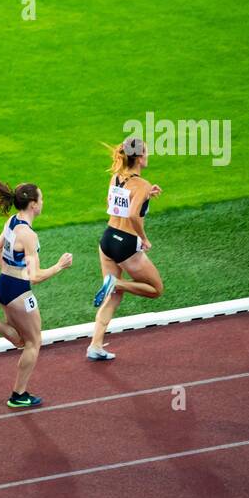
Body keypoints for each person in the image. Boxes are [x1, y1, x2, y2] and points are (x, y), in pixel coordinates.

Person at [0, 181, 73, 408]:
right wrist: (60, 266)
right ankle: (18, 394)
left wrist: (9, 272)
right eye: (41, 199)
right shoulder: (29, 235)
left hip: (3, 285)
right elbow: (35, 276)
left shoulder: (11, 221)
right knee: (34, 342)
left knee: (21, 340)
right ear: (32, 205)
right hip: (19, 292)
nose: (43, 202)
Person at [87, 137, 165, 360]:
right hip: (127, 245)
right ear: (140, 158)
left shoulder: (116, 178)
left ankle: (95, 345)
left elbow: (115, 203)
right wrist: (144, 238)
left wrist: (146, 196)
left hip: (108, 239)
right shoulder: (142, 184)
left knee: (113, 297)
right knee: (156, 289)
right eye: (147, 153)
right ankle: (117, 282)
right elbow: (132, 215)